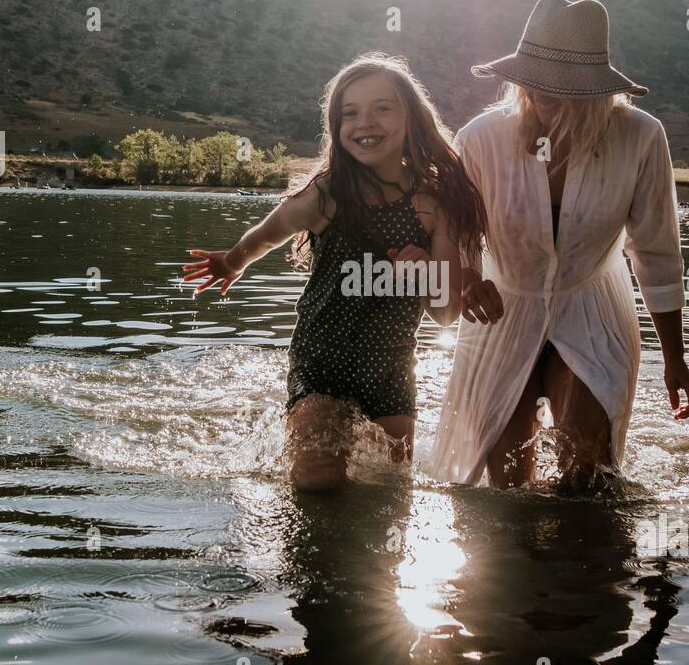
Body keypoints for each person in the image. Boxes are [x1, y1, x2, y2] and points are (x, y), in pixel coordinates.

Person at [427, 0, 689, 492]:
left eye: (562, 84)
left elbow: (656, 252)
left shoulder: (640, 138)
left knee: (584, 478)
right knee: (507, 489)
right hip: (502, 309)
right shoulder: (481, 138)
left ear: (596, 88)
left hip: (593, 306)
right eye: (532, 79)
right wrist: (467, 279)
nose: (542, 93)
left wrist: (675, 358)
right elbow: (455, 230)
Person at [184, 54, 487, 490]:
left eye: (382, 108)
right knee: (315, 482)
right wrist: (232, 261)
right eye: (351, 113)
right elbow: (270, 233)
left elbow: (444, 313)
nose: (365, 122)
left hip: (391, 373)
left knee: (390, 493)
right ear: (337, 127)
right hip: (320, 364)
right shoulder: (326, 195)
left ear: (412, 119)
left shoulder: (432, 206)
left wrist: (428, 273)